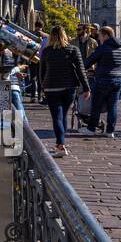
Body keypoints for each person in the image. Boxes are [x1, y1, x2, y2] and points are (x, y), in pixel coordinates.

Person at [39, 25, 90, 157]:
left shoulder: (46, 51)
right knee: (63, 115)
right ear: (64, 35)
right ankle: (61, 144)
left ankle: (60, 145)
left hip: (51, 87)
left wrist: (42, 88)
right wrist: (86, 87)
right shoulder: (73, 49)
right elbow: (80, 70)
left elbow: (42, 72)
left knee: (57, 116)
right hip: (69, 87)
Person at [83, 25, 121, 137]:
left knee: (96, 105)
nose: (99, 39)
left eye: (100, 36)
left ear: (106, 35)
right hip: (118, 79)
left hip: (103, 79)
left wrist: (83, 68)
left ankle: (91, 129)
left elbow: (89, 61)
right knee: (112, 106)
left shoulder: (103, 48)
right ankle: (110, 131)